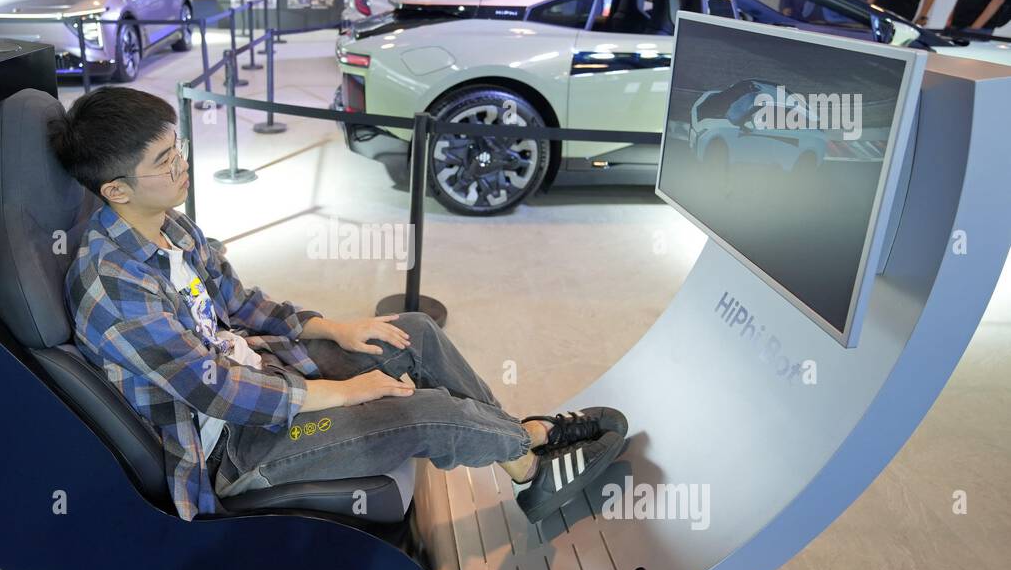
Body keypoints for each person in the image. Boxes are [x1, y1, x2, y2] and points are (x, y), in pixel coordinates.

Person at [54, 87, 628, 524]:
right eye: (163, 159)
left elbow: (236, 300)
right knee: (412, 409)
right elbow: (216, 392)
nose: (181, 162)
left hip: (261, 371)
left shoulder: (169, 226)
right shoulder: (114, 286)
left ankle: (518, 443)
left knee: (410, 334)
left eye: (176, 145)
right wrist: (347, 393)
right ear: (116, 189)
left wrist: (336, 328)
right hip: (236, 446)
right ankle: (530, 466)